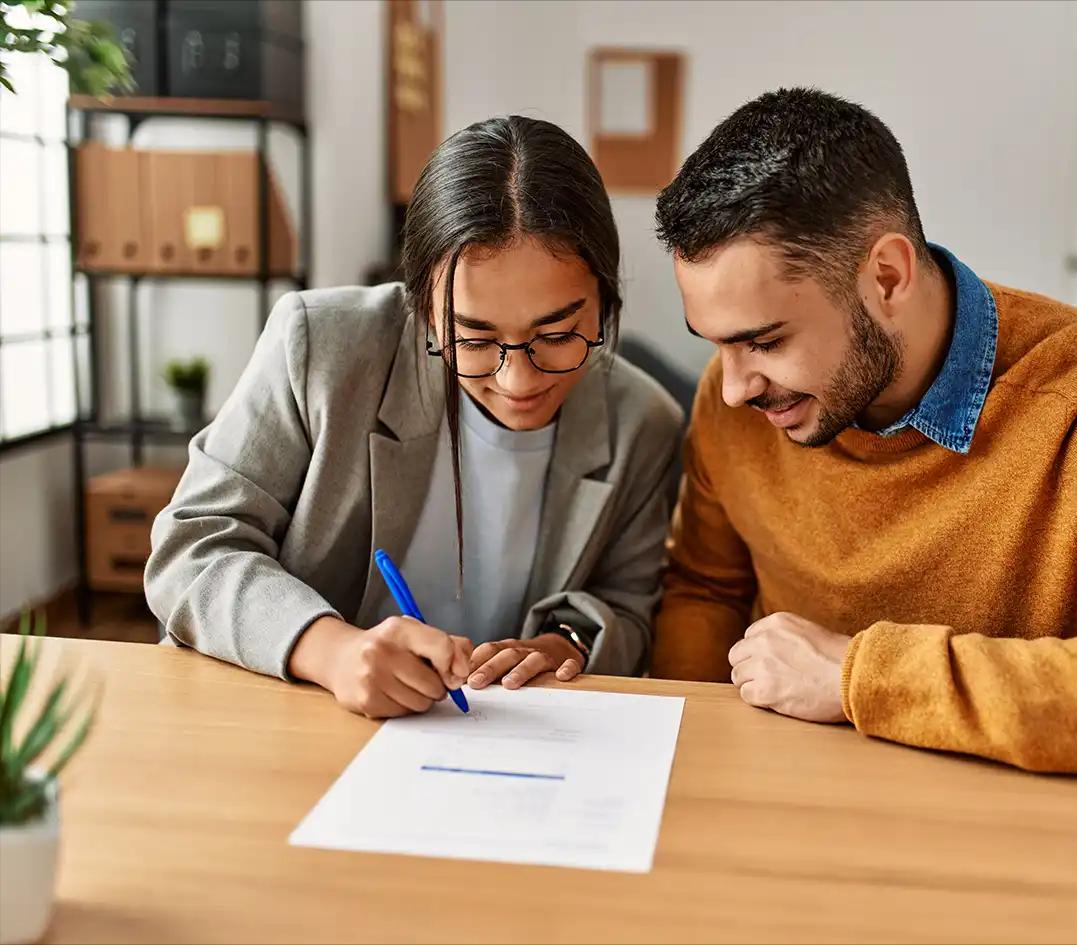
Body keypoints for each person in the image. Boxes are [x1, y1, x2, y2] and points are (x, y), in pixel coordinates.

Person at [650, 88, 1077, 786]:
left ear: (887, 276)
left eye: (763, 341)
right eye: (717, 344)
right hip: (794, 806)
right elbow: (703, 590)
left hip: (1022, 825)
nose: (732, 386)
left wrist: (859, 674)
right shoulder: (739, 403)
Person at [146, 117, 682, 718]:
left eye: (557, 335)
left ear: (606, 304)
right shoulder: (320, 348)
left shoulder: (643, 423)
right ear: (423, 307)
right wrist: (332, 651)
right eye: (473, 338)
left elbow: (628, 606)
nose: (518, 380)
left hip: (494, 742)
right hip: (286, 722)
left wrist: (566, 644)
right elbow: (191, 547)